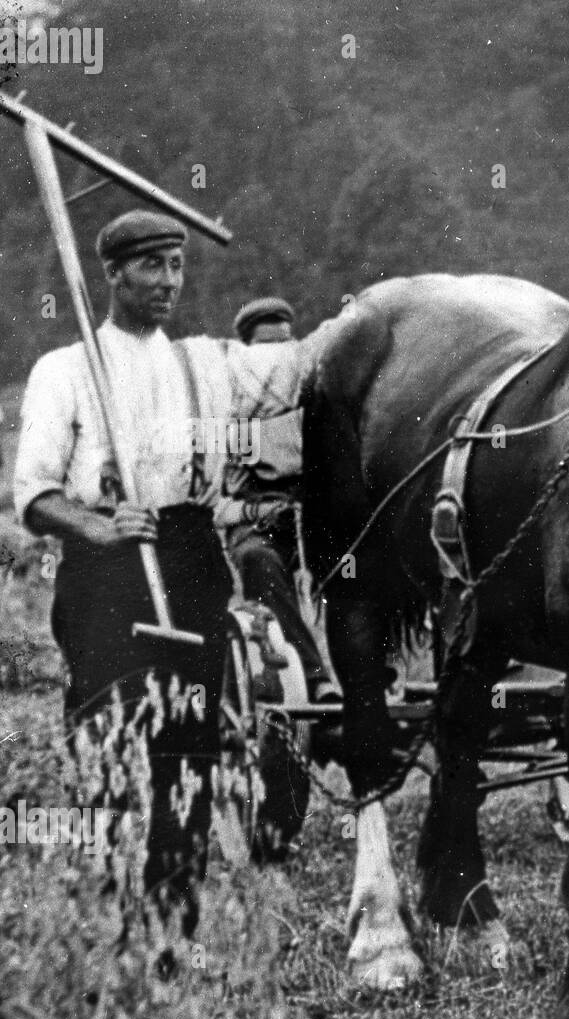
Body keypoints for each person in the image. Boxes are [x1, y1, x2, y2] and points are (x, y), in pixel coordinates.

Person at [12, 209, 307, 943]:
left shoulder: (206, 363)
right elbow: (36, 493)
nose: (168, 281)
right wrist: (98, 525)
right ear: (112, 274)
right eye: (151, 266)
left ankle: (173, 926)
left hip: (191, 560)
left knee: (189, 751)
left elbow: (296, 368)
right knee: (110, 749)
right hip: (107, 572)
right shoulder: (67, 368)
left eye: (176, 265)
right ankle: (111, 925)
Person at [221, 296, 335, 703]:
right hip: (258, 520)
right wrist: (256, 510)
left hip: (316, 515)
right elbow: (215, 503)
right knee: (259, 560)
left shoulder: (318, 401)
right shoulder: (225, 416)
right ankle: (313, 676)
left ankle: (375, 674)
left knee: (358, 565)